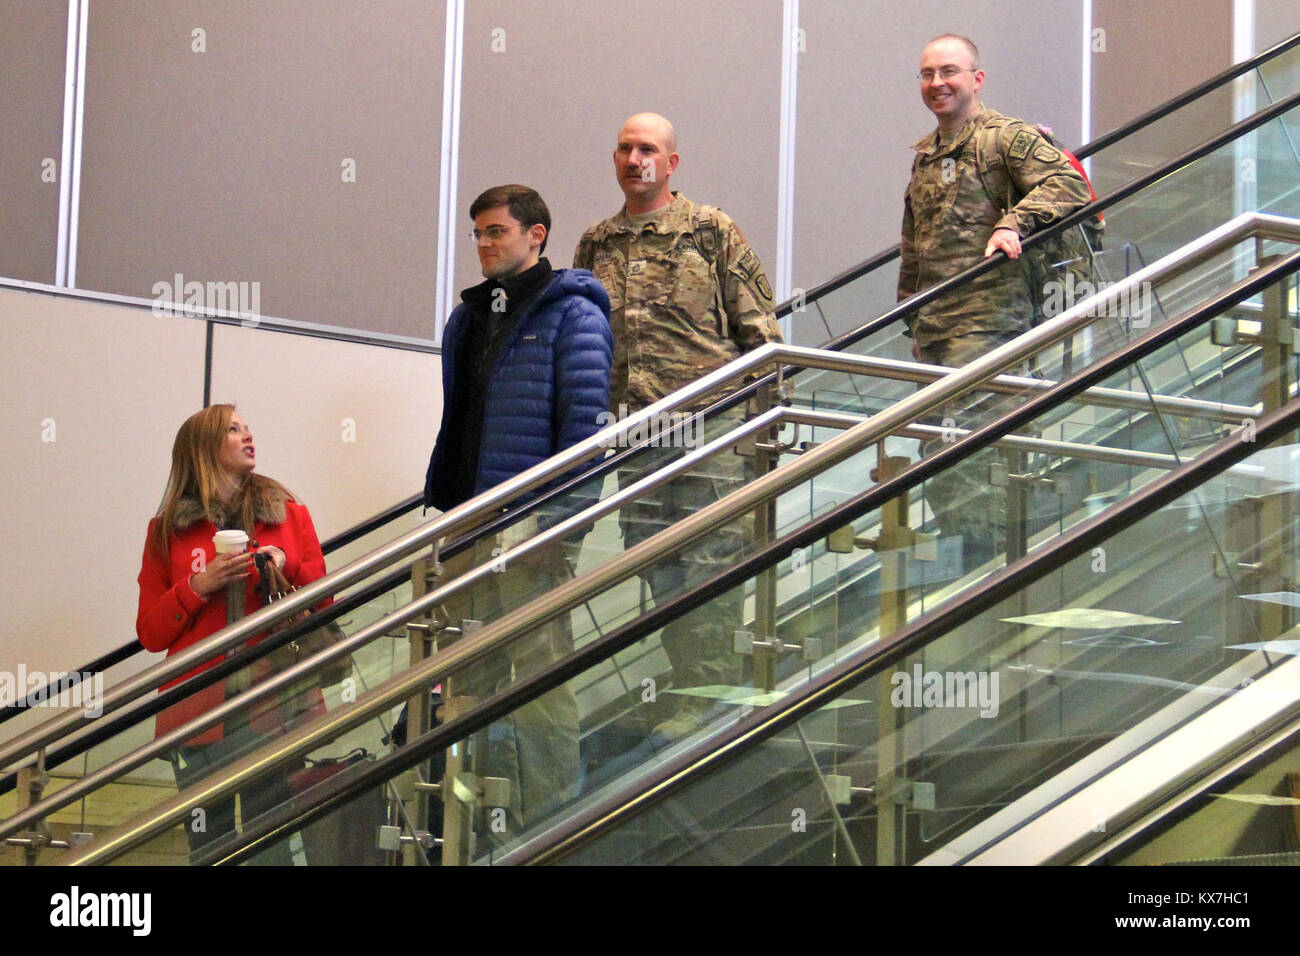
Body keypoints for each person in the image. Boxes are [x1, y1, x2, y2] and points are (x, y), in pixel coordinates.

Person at [575, 113, 784, 738]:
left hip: (709, 432)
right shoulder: (595, 245)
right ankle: (693, 690)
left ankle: (709, 699)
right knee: (656, 564)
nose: (634, 159)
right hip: (633, 435)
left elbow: (761, 331)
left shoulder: (709, 230)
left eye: (648, 150)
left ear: (672, 162)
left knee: (711, 563)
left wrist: (767, 423)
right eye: (624, 149)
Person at [423, 184, 612, 833]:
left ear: (536, 236)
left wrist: (559, 526)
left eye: (495, 231)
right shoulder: (466, 320)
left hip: (530, 531)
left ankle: (556, 825)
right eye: (476, 233)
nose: (482, 244)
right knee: (459, 678)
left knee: (540, 683)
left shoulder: (574, 314)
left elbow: (588, 435)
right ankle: (461, 823)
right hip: (468, 527)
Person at [899, 35, 1091, 567]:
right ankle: (973, 565)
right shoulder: (925, 157)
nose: (937, 83)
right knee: (940, 454)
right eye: (926, 74)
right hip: (937, 333)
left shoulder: (1006, 138)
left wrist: (1014, 223)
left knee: (981, 452)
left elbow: (1067, 185)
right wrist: (912, 318)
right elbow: (914, 245)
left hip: (992, 324)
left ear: (977, 78)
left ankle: (997, 569)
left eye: (949, 72)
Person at [137, 404, 329, 864]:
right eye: (233, 429)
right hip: (198, 708)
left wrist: (287, 564)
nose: (248, 436)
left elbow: (324, 601)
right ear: (203, 449)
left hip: (273, 701)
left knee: (273, 844)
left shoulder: (290, 516)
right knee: (210, 845)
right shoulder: (167, 531)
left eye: (248, 428)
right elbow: (150, 632)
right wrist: (197, 587)